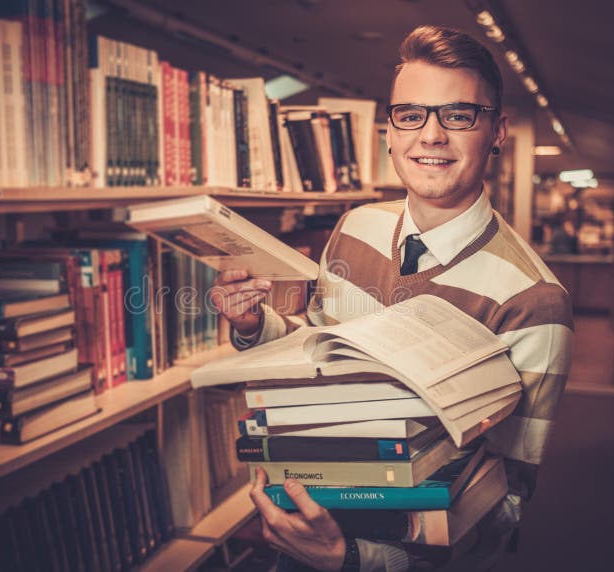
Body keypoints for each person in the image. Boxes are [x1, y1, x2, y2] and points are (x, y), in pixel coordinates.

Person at [209, 25, 573, 572]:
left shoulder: (535, 302)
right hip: (299, 529)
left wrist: (352, 558)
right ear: (389, 130)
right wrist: (254, 323)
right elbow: (316, 350)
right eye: (411, 114)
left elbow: (503, 510)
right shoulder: (355, 226)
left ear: (496, 131)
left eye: (458, 115)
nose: (430, 136)